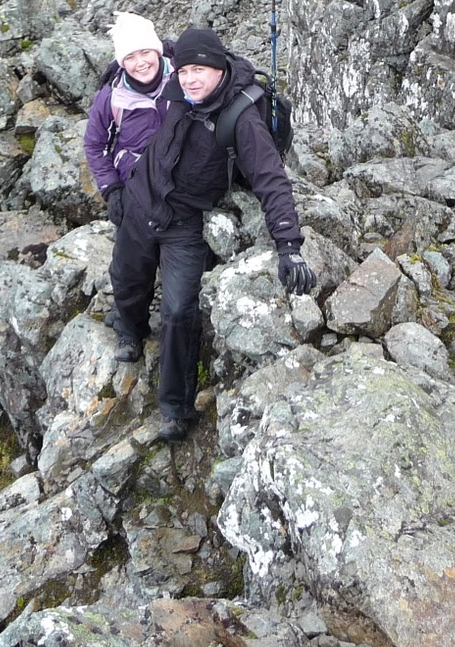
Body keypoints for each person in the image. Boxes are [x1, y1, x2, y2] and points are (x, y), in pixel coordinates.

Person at [112, 26, 314, 440]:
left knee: (180, 311)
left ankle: (174, 408)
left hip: (184, 221)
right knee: (126, 277)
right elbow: (147, 54)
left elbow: (271, 179)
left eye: (200, 69)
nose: (190, 78)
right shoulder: (175, 84)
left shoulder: (240, 118)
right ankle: (130, 330)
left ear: (220, 67)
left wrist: (289, 246)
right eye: (184, 70)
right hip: (141, 198)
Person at [83, 12, 172, 228]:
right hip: (136, 180)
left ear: (157, 51)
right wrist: (111, 188)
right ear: (122, 62)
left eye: (145, 52)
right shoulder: (111, 98)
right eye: (130, 57)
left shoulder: (183, 76)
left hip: (184, 171)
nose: (140, 63)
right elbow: (95, 146)